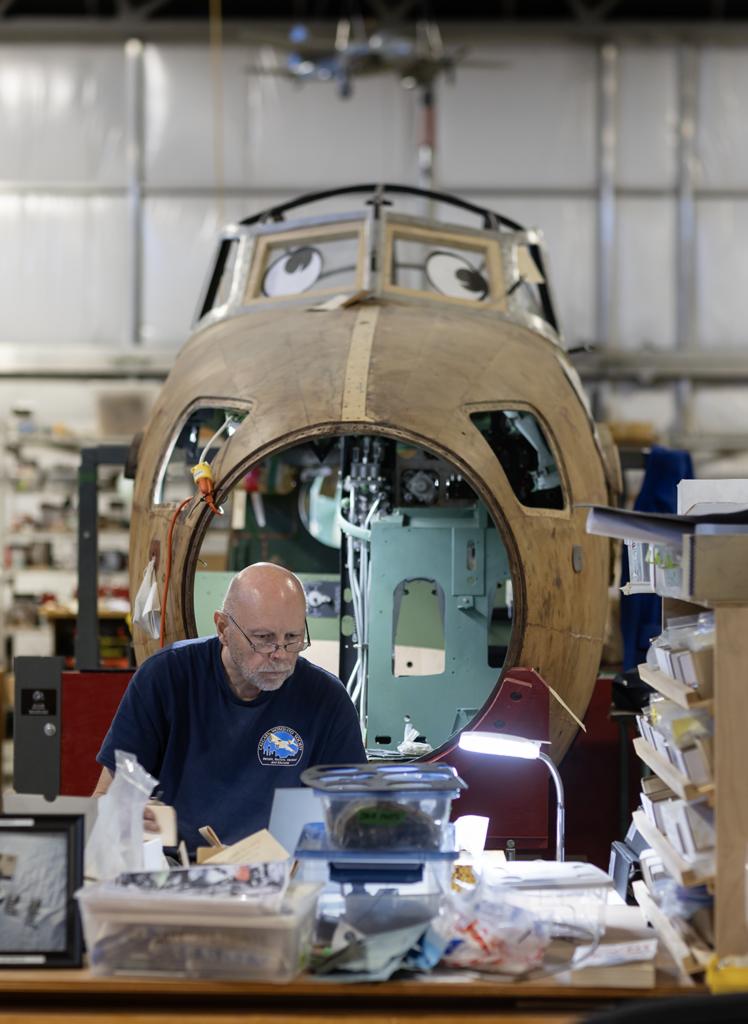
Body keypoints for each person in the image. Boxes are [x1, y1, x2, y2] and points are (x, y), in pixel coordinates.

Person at [94, 562, 366, 853]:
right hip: (176, 870)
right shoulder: (165, 678)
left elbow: (353, 816)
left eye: (293, 638)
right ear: (223, 629)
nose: (280, 655)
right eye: (263, 639)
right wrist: (121, 816)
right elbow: (103, 798)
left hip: (280, 875)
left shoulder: (326, 699)